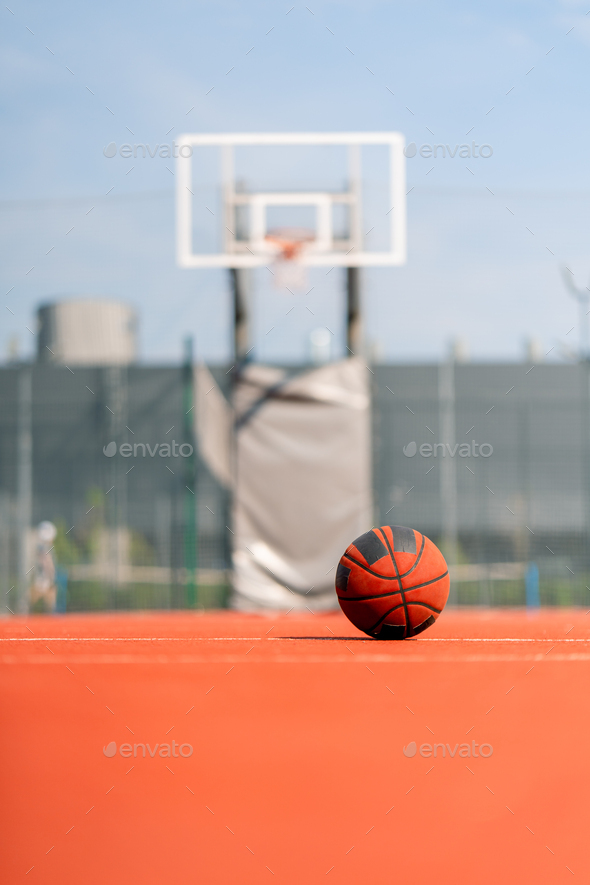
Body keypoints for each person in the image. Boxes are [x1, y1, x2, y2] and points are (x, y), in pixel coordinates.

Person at [29, 521, 57, 613]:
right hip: (44, 576)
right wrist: (51, 574)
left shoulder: (42, 546)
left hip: (42, 576)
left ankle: (24, 609)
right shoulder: (45, 547)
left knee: (49, 594)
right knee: (47, 594)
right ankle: (23, 609)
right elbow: (47, 563)